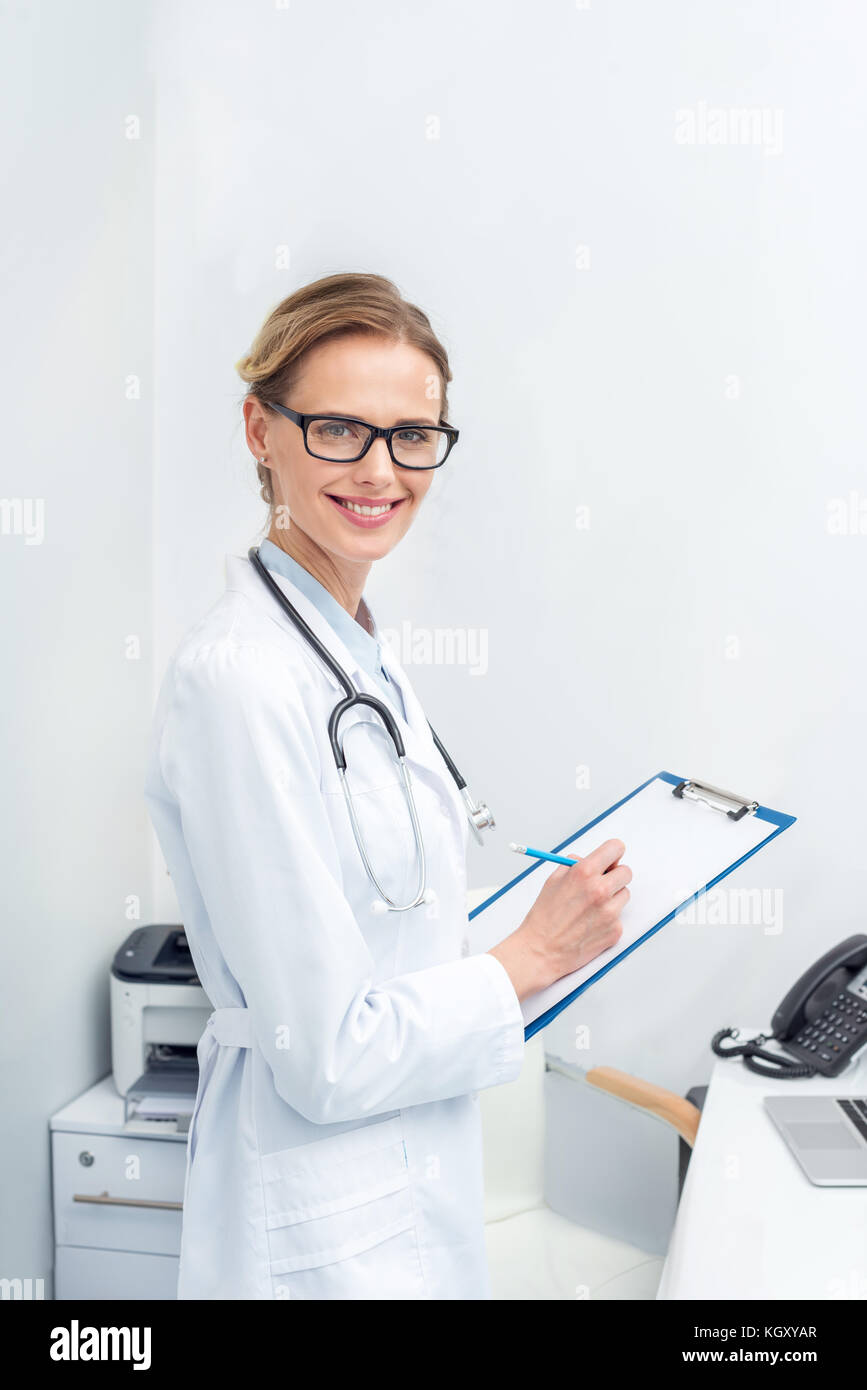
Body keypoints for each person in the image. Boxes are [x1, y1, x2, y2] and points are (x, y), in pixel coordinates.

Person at [144, 271, 631, 1299]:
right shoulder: (240, 678)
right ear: (258, 430)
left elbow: (388, 931)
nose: (381, 470)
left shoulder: (352, 651)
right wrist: (527, 957)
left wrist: (544, 935)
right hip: (318, 1230)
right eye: (337, 429)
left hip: (405, 1191)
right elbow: (324, 1055)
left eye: (413, 435)